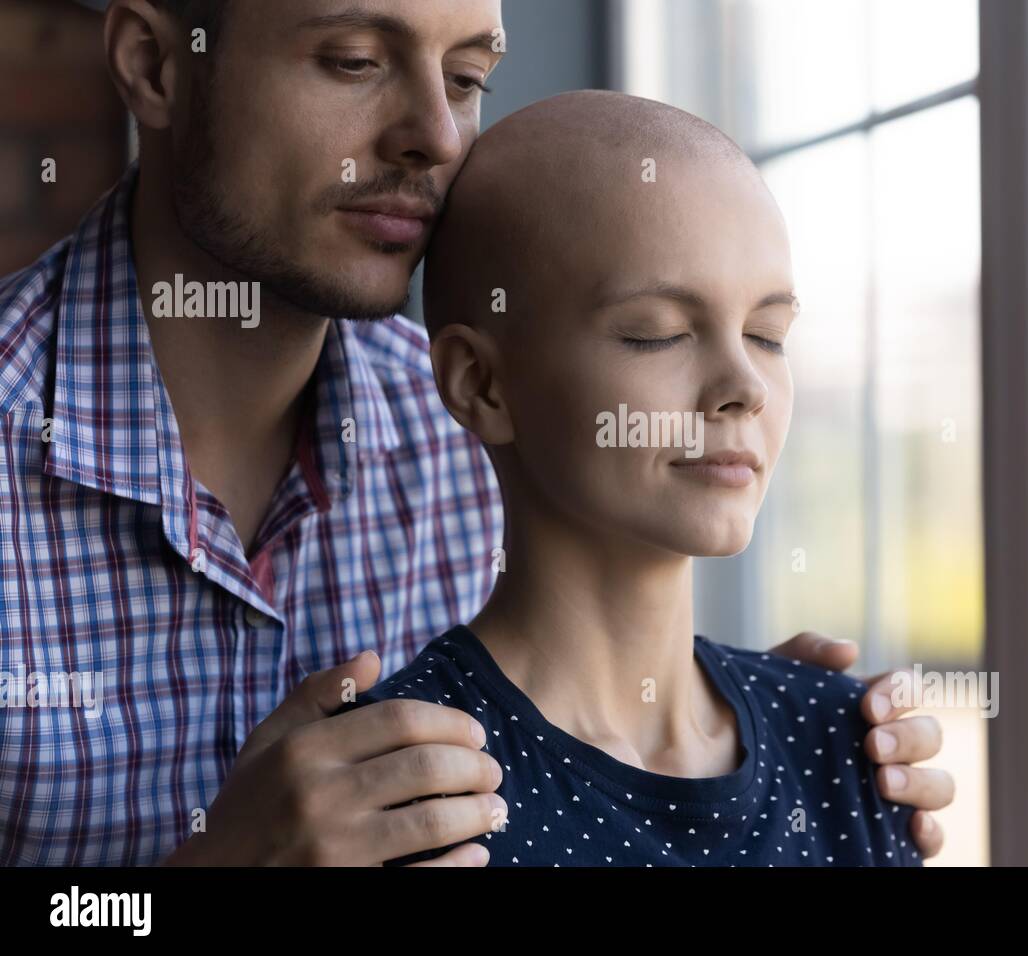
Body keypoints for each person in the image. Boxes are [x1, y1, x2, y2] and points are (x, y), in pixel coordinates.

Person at [0, 0, 952, 866]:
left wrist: (766, 744)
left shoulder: (503, 420)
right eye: (353, 60)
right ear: (157, 66)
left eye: (465, 79)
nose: (435, 136)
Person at [339, 90, 921, 866]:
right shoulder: (398, 796)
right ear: (481, 384)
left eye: (766, 335)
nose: (743, 385)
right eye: (661, 335)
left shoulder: (847, 740)